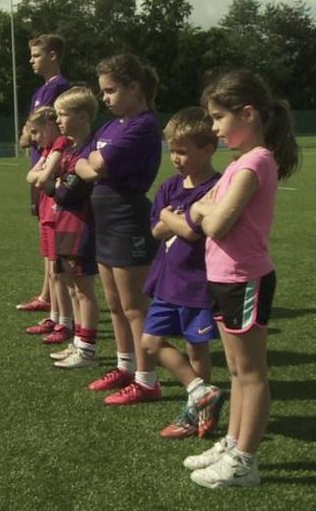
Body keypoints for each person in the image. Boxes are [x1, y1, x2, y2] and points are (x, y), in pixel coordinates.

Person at [184, 69, 300, 488]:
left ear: (247, 114)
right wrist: (203, 209)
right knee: (234, 369)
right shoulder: (239, 162)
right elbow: (204, 208)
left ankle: (245, 460)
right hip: (224, 277)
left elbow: (213, 221)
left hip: (244, 279)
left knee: (251, 372)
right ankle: (233, 443)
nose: (212, 128)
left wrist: (201, 211)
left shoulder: (254, 162)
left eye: (218, 118)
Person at [75, 54, 162, 403]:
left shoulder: (143, 125)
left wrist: (92, 164)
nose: (105, 98)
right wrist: (91, 164)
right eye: (103, 92)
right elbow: (84, 162)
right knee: (114, 302)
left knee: (134, 307)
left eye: (110, 91)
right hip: (107, 219)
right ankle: (126, 367)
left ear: (134, 88)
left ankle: (147, 380)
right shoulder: (111, 126)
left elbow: (96, 163)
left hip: (129, 217)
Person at [137, 107, 225, 435]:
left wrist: (170, 218)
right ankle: (200, 392)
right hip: (167, 280)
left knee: (196, 347)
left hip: (198, 283)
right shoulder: (169, 187)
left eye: (183, 152)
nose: (175, 158)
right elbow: (156, 230)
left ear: (208, 149)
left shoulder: (216, 188)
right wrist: (176, 219)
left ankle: (198, 413)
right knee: (149, 342)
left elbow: (191, 231)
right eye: (172, 150)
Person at [43, 87, 102, 370]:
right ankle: (79, 342)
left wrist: (58, 185)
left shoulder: (90, 149)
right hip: (66, 222)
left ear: (81, 117)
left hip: (82, 224)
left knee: (83, 288)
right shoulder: (71, 148)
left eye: (63, 115)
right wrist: (58, 185)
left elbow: (64, 193)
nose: (58, 121)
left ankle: (88, 350)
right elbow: (51, 187)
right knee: (72, 286)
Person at [18, 34, 73, 315]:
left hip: (49, 170)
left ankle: (52, 297)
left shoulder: (60, 88)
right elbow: (30, 130)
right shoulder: (40, 91)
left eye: (36, 55)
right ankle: (47, 294)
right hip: (38, 165)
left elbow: (43, 130)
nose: (31, 60)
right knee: (45, 232)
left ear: (53, 55)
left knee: (52, 233)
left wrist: (31, 136)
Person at [22, 107, 74, 344]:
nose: (33, 138)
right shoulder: (46, 149)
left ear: (49, 126)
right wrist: (42, 173)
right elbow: (31, 177)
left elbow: (41, 178)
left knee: (58, 273)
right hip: (45, 212)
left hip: (56, 214)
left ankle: (65, 322)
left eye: (36, 131)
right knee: (52, 273)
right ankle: (55, 317)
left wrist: (43, 174)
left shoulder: (60, 143)